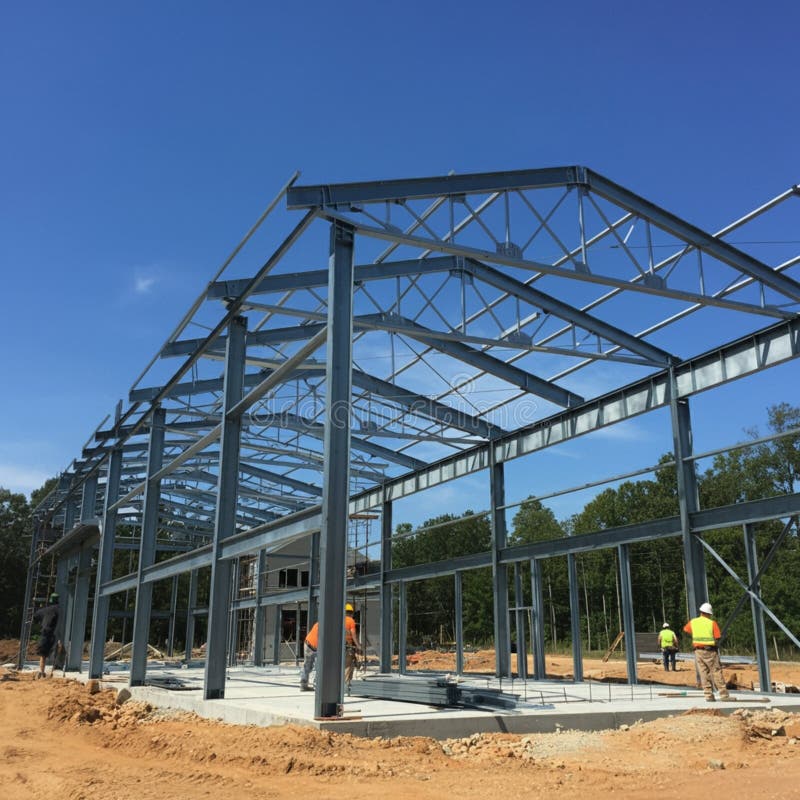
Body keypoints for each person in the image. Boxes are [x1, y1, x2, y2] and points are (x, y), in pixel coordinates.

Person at [299, 603, 363, 693]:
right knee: (318, 666)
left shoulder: (324, 621)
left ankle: (306, 685)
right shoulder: (337, 623)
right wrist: (357, 646)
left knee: (308, 666)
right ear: (352, 613)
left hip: (308, 644)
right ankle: (315, 685)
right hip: (317, 647)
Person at [683, 602, 730, 702]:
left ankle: (708, 695)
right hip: (710, 651)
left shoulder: (693, 622)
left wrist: (696, 633)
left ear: (701, 612)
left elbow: (686, 629)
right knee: (716, 671)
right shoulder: (712, 623)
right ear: (709, 613)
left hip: (698, 651)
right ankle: (723, 695)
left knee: (703, 672)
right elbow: (718, 637)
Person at [32, 593, 61, 678]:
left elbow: (35, 617)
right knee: (53, 651)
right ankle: (50, 670)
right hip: (53, 635)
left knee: (43, 654)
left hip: (45, 635)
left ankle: (42, 672)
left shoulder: (45, 610)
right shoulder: (59, 609)